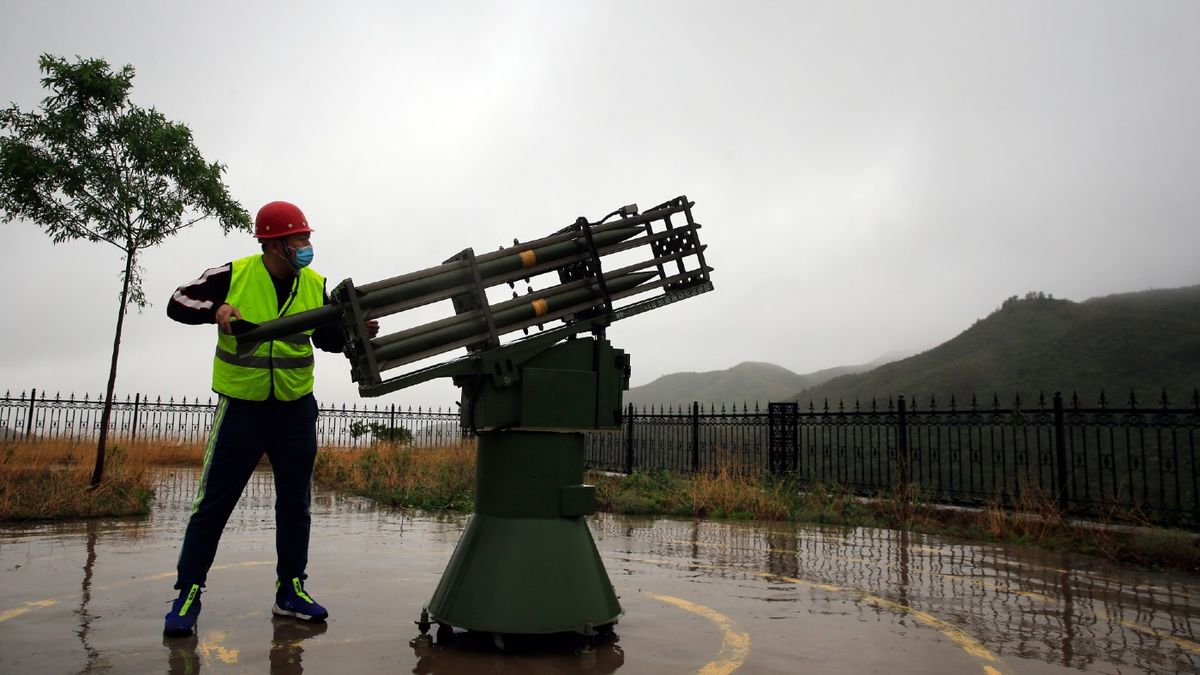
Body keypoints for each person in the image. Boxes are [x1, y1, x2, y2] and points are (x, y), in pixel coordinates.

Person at [162, 200, 377, 637]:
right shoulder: (233, 274)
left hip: (295, 408)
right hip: (242, 407)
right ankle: (188, 593)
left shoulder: (315, 283)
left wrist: (355, 330)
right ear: (276, 244)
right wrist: (215, 311)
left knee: (295, 504)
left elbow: (325, 339)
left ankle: (291, 591)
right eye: (301, 238)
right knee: (213, 506)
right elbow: (177, 302)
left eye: (308, 237)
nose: (308, 245)